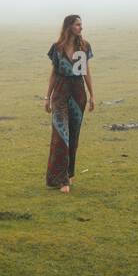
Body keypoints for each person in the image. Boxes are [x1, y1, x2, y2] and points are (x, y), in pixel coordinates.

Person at [45, 14, 94, 192]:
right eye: (78, 25)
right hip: (60, 92)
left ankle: (69, 173)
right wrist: (47, 97)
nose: (81, 28)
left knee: (73, 135)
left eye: (81, 24)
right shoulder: (57, 48)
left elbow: (86, 72)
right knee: (61, 136)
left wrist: (92, 95)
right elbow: (54, 74)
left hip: (78, 93)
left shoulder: (84, 47)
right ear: (69, 27)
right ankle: (61, 180)